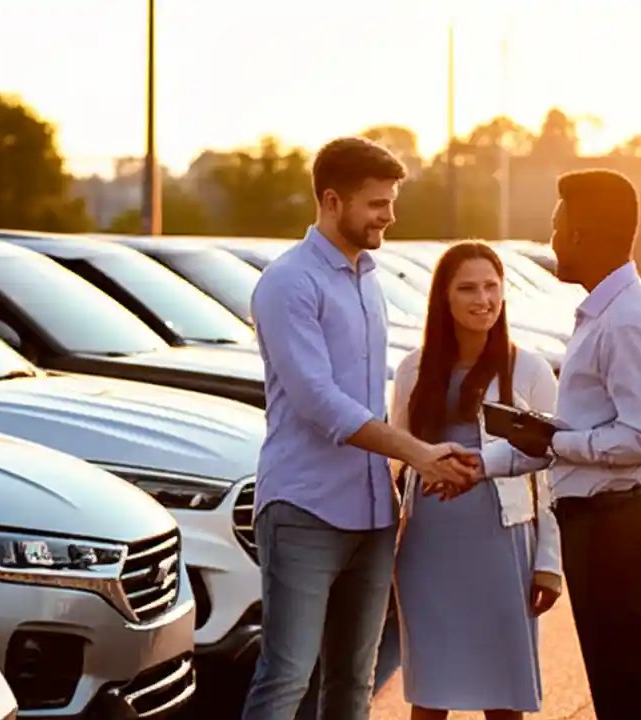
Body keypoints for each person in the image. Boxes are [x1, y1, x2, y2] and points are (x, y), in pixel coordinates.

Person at [243, 136, 478, 720]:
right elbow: (320, 402)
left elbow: (374, 393)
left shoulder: (366, 277)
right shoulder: (288, 283)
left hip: (373, 511)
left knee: (354, 681)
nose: (389, 216)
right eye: (377, 203)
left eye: (390, 201)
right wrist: (417, 453)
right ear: (331, 200)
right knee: (287, 677)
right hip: (304, 509)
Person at [477, 169, 641, 720]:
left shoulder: (630, 321)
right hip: (600, 527)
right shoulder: (604, 314)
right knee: (617, 694)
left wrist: (566, 440)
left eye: (556, 227)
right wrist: (479, 463)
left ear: (582, 236)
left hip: (623, 529)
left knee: (632, 695)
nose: (551, 241)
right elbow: (570, 436)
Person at [390, 241, 564, 720]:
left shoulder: (527, 368)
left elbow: (553, 468)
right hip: (429, 545)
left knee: (503, 695)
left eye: (491, 286)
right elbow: (397, 456)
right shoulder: (413, 369)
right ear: (443, 299)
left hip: (502, 542)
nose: (482, 298)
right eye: (467, 288)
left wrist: (549, 561)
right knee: (430, 692)